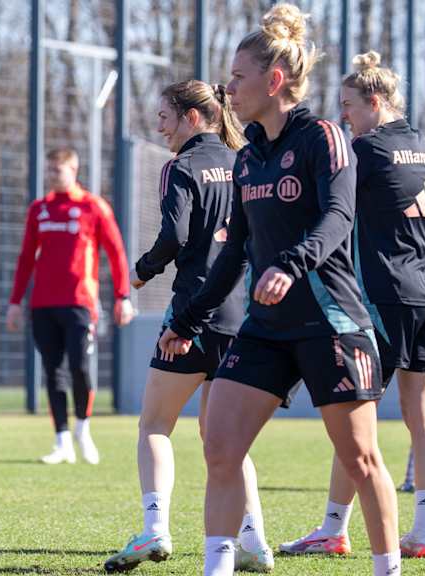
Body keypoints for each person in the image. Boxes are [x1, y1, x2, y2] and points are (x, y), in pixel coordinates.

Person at [157, 5, 401, 576]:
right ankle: (216, 568)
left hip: (331, 320)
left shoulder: (324, 137)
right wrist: (186, 319)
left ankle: (388, 567)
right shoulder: (248, 161)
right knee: (219, 446)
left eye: (237, 78)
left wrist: (291, 264)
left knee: (360, 458)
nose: (227, 89)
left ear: (273, 81)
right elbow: (233, 253)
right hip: (266, 329)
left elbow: (340, 215)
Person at [279, 50, 425, 561]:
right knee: (424, 418)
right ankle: (424, 531)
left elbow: (332, 208)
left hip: (385, 296)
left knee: (354, 414)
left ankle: (333, 528)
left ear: (374, 102)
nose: (343, 117)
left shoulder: (368, 151)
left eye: (348, 105)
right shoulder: (423, 145)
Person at [104, 80, 274, 573]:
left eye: (164, 116)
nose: (158, 126)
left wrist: (142, 269)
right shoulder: (247, 163)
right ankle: (255, 540)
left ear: (193, 117)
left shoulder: (181, 167)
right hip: (240, 317)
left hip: (192, 318)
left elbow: (174, 235)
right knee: (225, 439)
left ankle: (156, 530)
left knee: (155, 424)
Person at [7, 148, 134, 465]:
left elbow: (116, 253)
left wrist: (123, 296)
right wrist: (15, 302)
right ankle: (61, 439)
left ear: (74, 169)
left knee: (79, 367)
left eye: (58, 170)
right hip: (43, 304)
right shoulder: (39, 210)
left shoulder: (93, 207)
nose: (52, 175)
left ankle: (83, 428)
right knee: (53, 371)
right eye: (49, 170)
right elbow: (25, 259)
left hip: (80, 303)